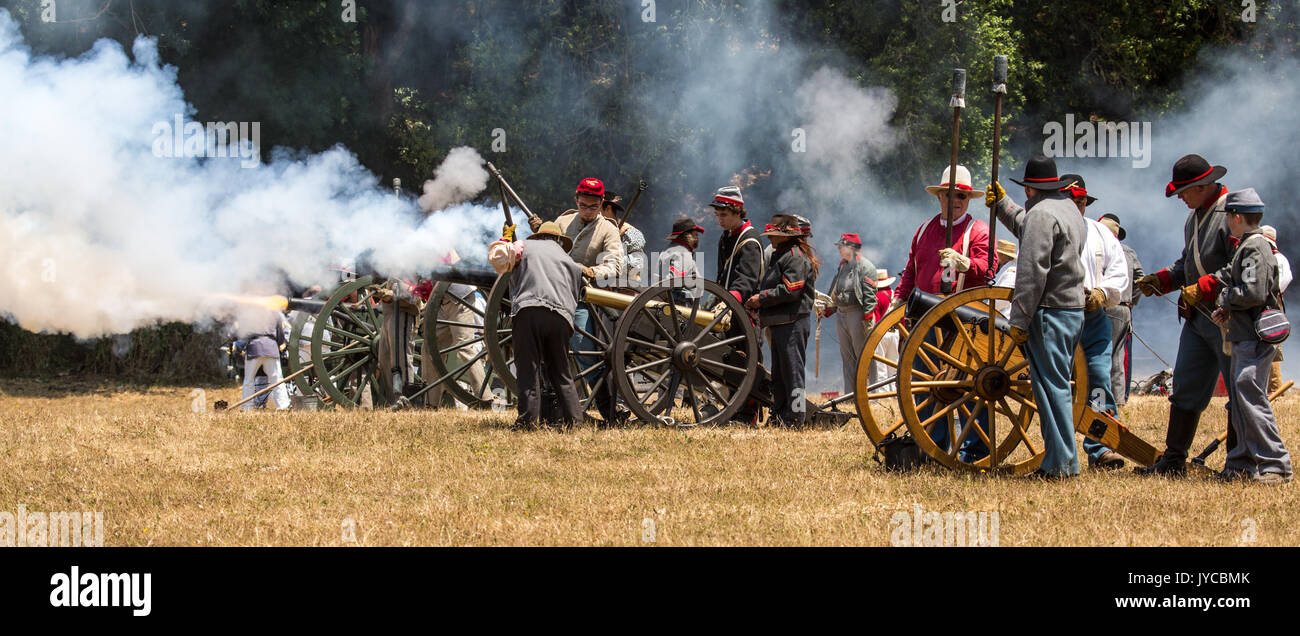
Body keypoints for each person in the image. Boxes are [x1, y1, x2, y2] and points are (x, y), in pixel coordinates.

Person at [986, 155, 1088, 479]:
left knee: (1050, 389)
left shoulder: (1041, 215)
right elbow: (1026, 226)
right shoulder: (1068, 209)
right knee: (1054, 386)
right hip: (1071, 310)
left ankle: (1061, 465)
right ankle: (1061, 461)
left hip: (1050, 312)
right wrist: (1003, 204)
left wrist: (1018, 320)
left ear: (1029, 188)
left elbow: (1031, 273)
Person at [1133, 154, 1235, 476]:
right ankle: (1173, 461)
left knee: (1238, 390)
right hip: (1197, 318)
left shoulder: (1232, 213)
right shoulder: (1193, 218)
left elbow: (1243, 264)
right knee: (1186, 388)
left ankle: (1239, 463)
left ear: (1202, 186)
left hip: (1227, 316)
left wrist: (1203, 287)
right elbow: (1186, 265)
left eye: (1184, 191)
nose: (1180, 197)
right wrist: (1161, 280)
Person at [898, 164, 996, 461]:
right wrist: (898, 305)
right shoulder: (923, 231)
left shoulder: (977, 230)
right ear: (939, 196)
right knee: (927, 386)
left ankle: (974, 451)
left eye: (962, 197)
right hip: (926, 320)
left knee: (969, 389)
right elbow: (911, 273)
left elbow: (989, 270)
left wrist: (966, 263)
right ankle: (932, 448)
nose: (955, 201)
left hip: (963, 321)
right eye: (949, 195)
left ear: (968, 201)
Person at [1209, 189, 1293, 483]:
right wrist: (1228, 308)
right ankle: (1240, 464)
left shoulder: (1253, 246)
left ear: (1236, 217)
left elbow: (1253, 292)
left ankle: (1276, 465)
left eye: (1229, 217)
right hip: (1245, 332)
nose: (1228, 223)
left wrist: (1225, 298)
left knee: (1251, 396)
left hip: (1253, 336)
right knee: (1242, 399)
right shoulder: (1249, 244)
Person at [1060, 175, 1130, 469]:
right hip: (1059, 316)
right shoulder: (1048, 227)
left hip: (1093, 318)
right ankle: (1061, 449)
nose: (1077, 204)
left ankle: (1100, 447)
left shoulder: (1102, 233)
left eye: (1081, 200)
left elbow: (1119, 272)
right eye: (1072, 199)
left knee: (1100, 378)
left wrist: (1102, 292)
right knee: (1058, 385)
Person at [488, 221, 585, 428]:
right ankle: (575, 421)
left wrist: (505, 240)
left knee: (527, 369)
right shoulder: (570, 262)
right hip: (561, 318)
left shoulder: (524, 246)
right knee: (561, 371)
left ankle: (527, 421)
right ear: (559, 240)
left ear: (538, 237)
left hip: (529, 310)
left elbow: (498, 259)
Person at [547, 177, 626, 422]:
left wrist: (592, 271)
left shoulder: (609, 229)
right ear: (576, 200)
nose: (588, 211)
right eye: (583, 205)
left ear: (602, 203)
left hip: (581, 296)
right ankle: (549, 407)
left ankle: (609, 411)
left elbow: (615, 265)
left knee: (585, 351)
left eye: (594, 207)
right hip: (551, 294)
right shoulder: (562, 221)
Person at [746, 214, 818, 427]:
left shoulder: (794, 256)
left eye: (773, 235)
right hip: (780, 322)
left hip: (793, 322)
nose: (770, 238)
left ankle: (796, 417)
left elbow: (791, 289)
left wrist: (761, 298)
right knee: (779, 374)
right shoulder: (782, 255)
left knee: (793, 373)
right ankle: (779, 414)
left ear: (785, 236)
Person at [712, 185, 766, 424]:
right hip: (728, 307)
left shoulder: (750, 241)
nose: (720, 219)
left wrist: (728, 300)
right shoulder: (727, 238)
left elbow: (747, 280)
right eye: (718, 215)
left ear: (737, 212)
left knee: (747, 360)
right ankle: (733, 408)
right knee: (731, 360)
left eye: (724, 214)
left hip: (744, 312)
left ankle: (748, 415)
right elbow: (721, 276)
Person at [820, 233, 877, 395]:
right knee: (847, 358)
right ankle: (851, 395)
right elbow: (836, 290)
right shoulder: (843, 266)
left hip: (857, 314)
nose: (839, 249)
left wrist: (867, 317)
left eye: (841, 246)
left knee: (864, 356)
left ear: (851, 247)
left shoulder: (866, 267)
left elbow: (870, 295)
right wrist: (829, 308)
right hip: (843, 314)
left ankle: (871, 394)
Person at [1098, 213, 1143, 406]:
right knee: (1117, 356)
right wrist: (1131, 300)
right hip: (1124, 309)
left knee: (1100, 355)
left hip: (1105, 305)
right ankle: (1118, 401)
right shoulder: (1129, 252)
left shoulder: (1100, 248)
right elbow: (1140, 279)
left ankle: (1100, 403)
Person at [1259, 225, 1290, 395]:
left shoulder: (1279, 259)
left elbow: (1281, 283)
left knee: (1271, 346)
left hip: (1271, 306)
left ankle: (1276, 389)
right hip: (1260, 305)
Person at [240, 312, 291, 411]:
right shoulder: (274, 313)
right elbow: (280, 332)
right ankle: (283, 405)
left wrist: (239, 346)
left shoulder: (249, 314)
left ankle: (247, 407)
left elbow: (244, 334)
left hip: (254, 348)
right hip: (271, 347)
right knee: (277, 379)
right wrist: (280, 343)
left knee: (249, 380)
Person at [601, 192, 647, 288]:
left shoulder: (630, 232)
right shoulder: (596, 230)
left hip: (624, 289)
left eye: (596, 207)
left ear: (608, 208)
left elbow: (637, 264)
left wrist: (612, 260)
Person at [660, 217, 705, 301]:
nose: (697, 238)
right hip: (681, 306)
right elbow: (671, 281)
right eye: (695, 234)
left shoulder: (668, 250)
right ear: (687, 236)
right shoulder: (683, 254)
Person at [868, 269, 898, 394]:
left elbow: (875, 319)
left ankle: (884, 395)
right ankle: (897, 393)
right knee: (894, 367)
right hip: (895, 333)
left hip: (882, 334)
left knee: (881, 368)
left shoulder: (875, 297)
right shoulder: (894, 294)